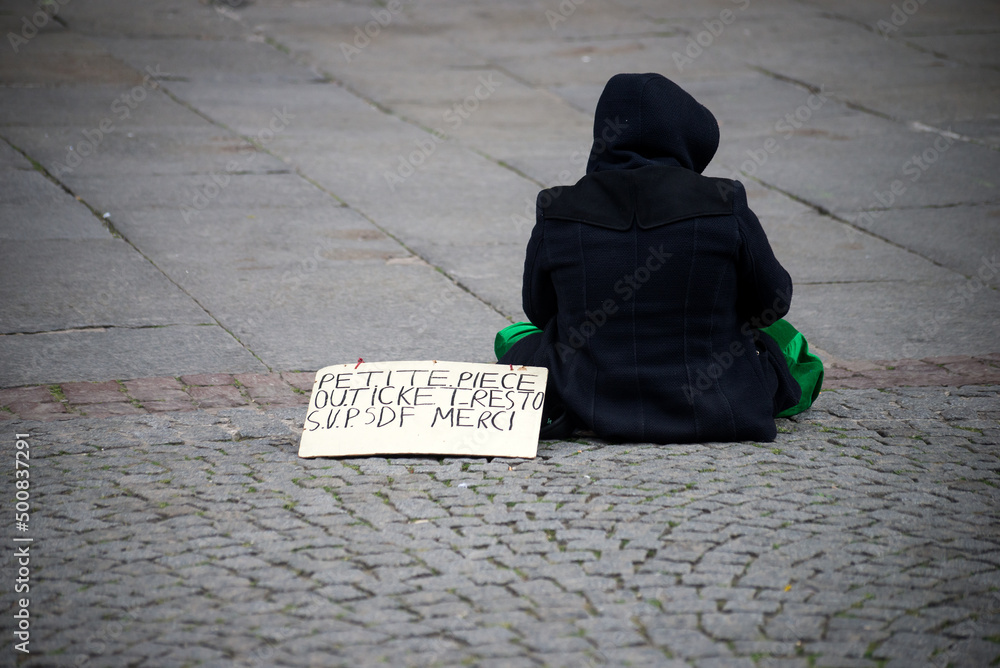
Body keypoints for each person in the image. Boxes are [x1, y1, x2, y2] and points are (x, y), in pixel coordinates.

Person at [496, 73, 823, 443]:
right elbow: (773, 301)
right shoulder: (724, 200)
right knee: (794, 347)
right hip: (716, 397)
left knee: (512, 337)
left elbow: (538, 311)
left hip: (585, 396)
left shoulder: (558, 208)